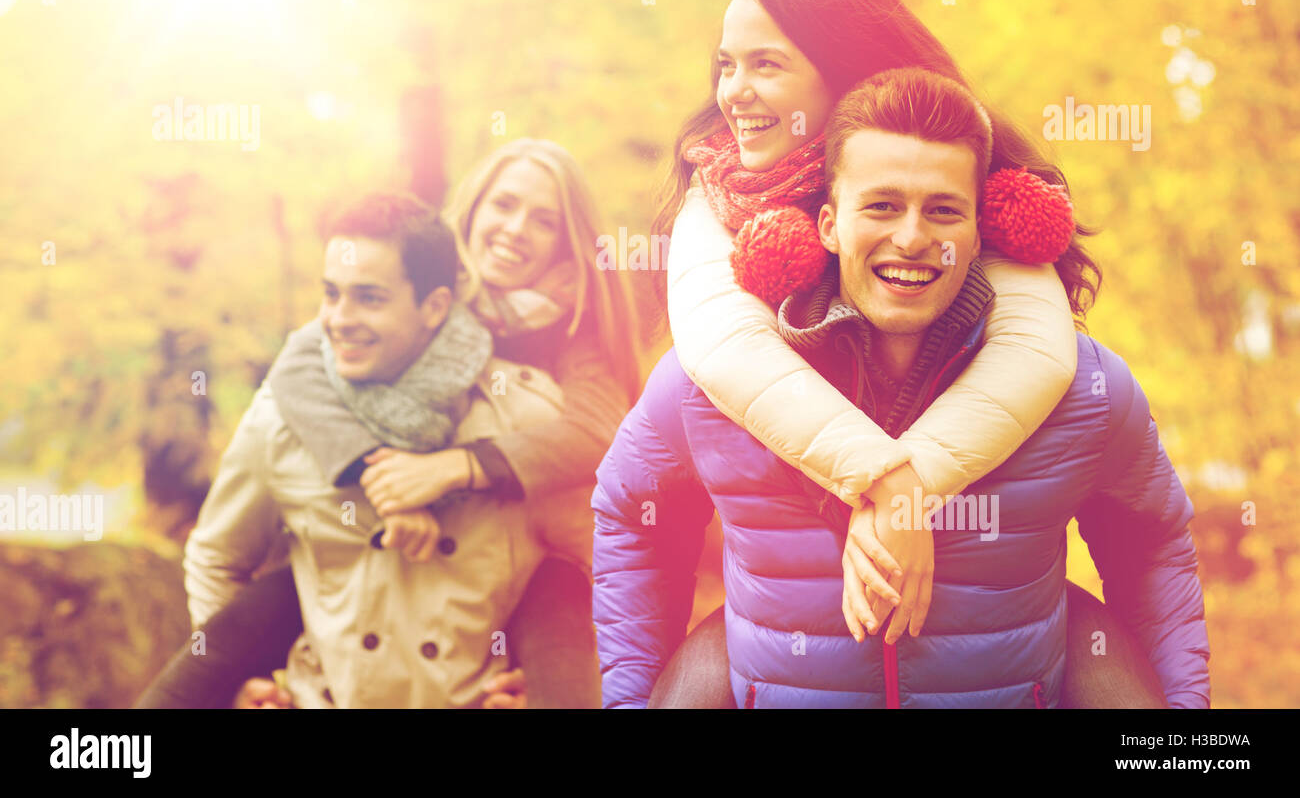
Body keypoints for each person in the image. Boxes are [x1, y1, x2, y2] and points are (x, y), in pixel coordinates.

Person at [594, 68, 1211, 708]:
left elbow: (1152, 546)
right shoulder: (707, 386)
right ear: (829, 226)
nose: (913, 239)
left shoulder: (1088, 390)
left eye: (943, 211)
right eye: (882, 206)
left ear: (979, 236)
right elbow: (634, 519)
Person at [142, 140, 639, 708]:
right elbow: (302, 365)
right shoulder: (377, 305)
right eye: (504, 205)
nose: (516, 228)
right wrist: (379, 477)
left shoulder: (568, 333)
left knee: (558, 591)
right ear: (471, 213)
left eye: (544, 220)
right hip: (347, 612)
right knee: (287, 587)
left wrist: (459, 468)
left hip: (504, 557)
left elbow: (597, 449)